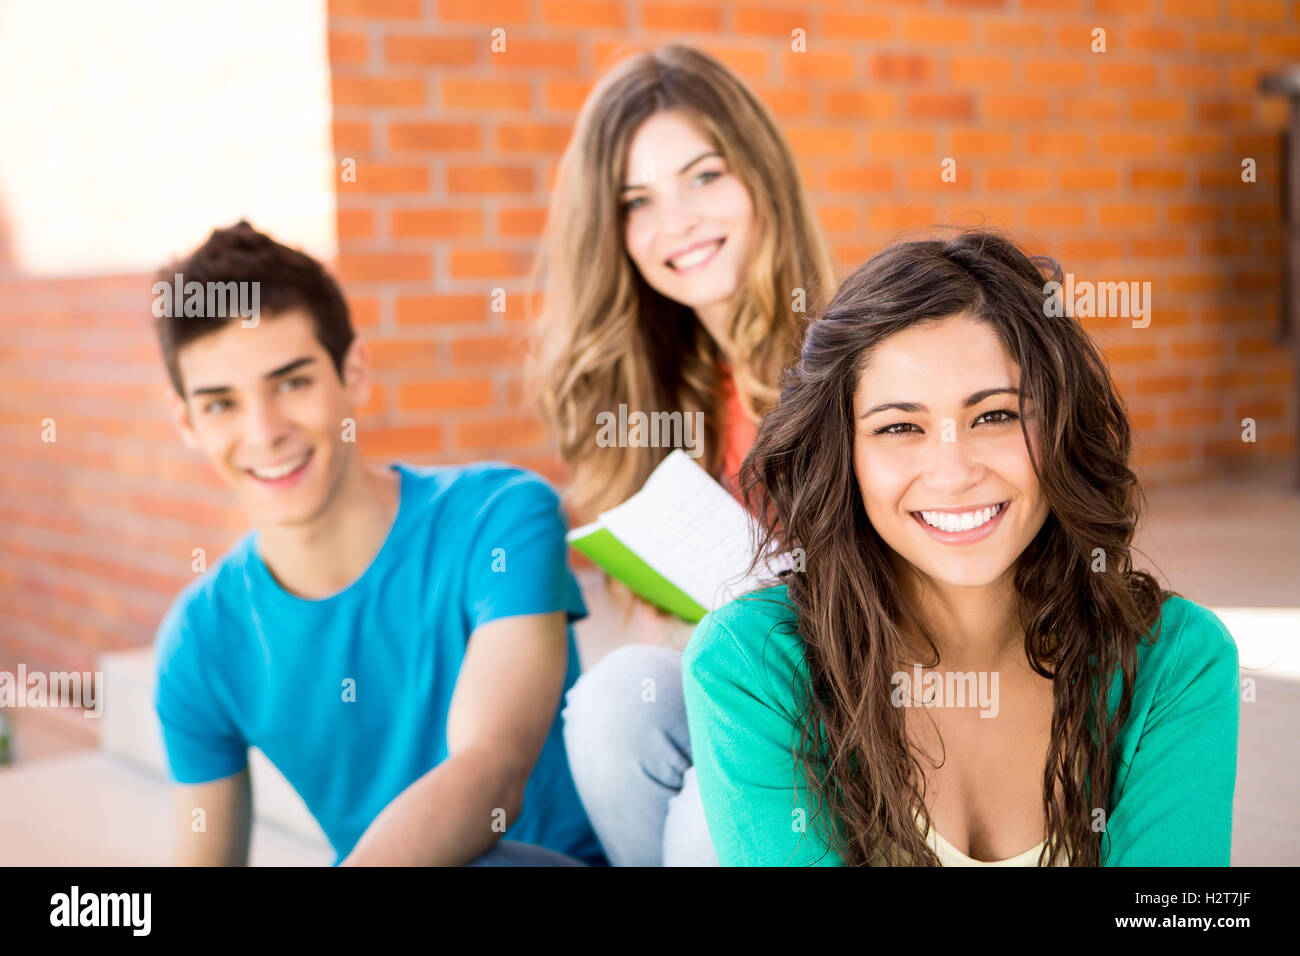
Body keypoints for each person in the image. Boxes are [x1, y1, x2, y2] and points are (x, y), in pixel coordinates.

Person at [683, 229, 1240, 865]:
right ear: (846, 457)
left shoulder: (1176, 661)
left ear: (1059, 427)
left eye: (995, 416)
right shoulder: (751, 665)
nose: (952, 472)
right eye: (899, 427)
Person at [151, 220, 602, 866]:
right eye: (221, 404)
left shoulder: (501, 517)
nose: (265, 431)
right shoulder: (200, 641)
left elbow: (492, 772)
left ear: (354, 373)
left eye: (292, 383)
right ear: (186, 421)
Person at [528, 44, 836, 865]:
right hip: (749, 695)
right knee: (607, 705)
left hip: (867, 715)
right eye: (638, 200)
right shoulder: (670, 396)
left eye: (704, 177)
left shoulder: (852, 355)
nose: (677, 224)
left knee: (713, 806)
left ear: (759, 174)